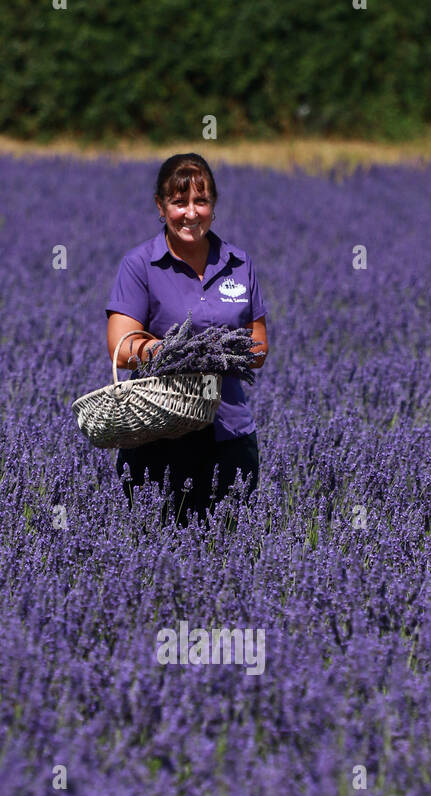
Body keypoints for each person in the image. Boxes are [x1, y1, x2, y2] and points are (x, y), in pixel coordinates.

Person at [105, 153, 269, 526]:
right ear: (161, 207)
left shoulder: (239, 264)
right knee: (152, 547)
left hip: (229, 434)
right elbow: (122, 346)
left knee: (229, 550)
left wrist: (224, 354)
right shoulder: (140, 265)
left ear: (213, 206)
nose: (191, 213)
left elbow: (258, 345)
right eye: (179, 203)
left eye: (201, 201)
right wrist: (175, 353)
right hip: (157, 434)